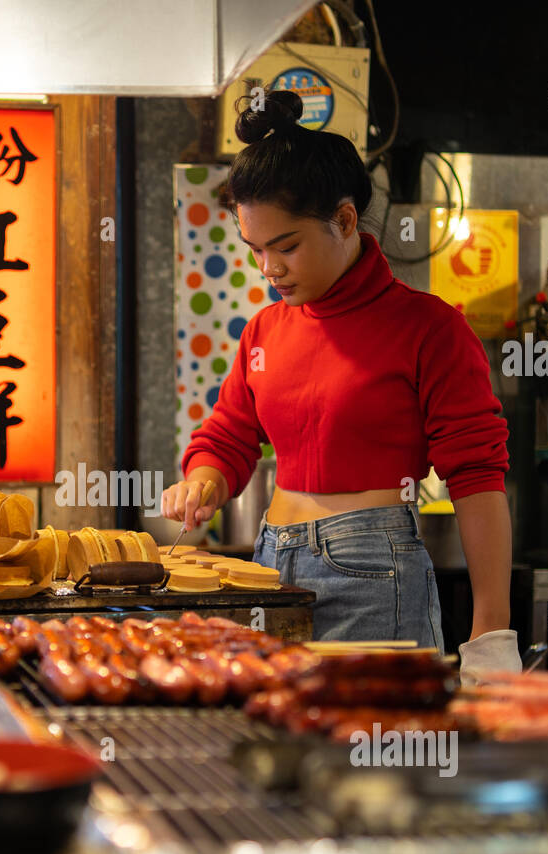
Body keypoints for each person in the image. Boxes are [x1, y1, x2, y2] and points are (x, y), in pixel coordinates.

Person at [160, 91, 521, 684]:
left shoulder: (428, 328)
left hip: (374, 577)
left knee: (373, 761)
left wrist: (491, 631)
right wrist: (205, 478)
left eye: (287, 246)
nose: (268, 269)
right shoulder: (265, 329)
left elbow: (477, 477)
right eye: (255, 251)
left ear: (346, 220)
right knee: (284, 757)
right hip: (270, 570)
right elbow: (229, 436)